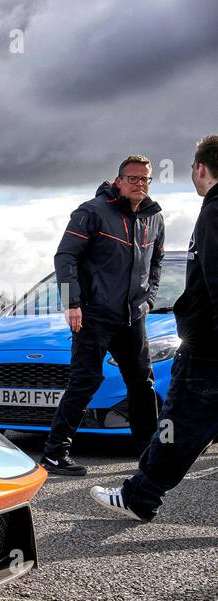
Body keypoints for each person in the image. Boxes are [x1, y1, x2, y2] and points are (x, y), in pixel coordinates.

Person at [93, 136, 218, 520]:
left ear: (200, 168)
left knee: (178, 427)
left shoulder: (214, 211)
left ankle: (139, 497)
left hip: (208, 351)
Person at [41, 156, 165, 476]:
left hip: (132, 316)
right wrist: (73, 303)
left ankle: (148, 452)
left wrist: (148, 300)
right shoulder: (92, 212)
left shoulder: (153, 218)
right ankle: (55, 454)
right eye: (133, 178)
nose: (140, 184)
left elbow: (156, 265)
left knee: (141, 384)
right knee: (85, 381)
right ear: (118, 180)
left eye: (145, 179)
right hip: (93, 314)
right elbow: (65, 256)